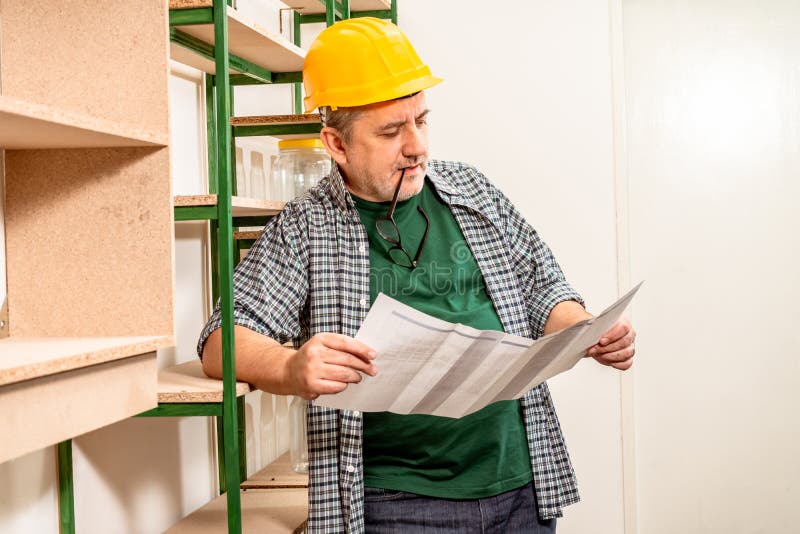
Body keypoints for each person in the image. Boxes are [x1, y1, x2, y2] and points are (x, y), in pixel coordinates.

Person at [198, 17, 636, 534]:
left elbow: (544, 290)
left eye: (421, 121)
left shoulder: (473, 191)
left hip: (519, 485)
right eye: (390, 131)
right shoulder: (305, 226)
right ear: (336, 144)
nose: (416, 146)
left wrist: (584, 329)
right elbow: (220, 341)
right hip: (397, 504)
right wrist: (292, 367)